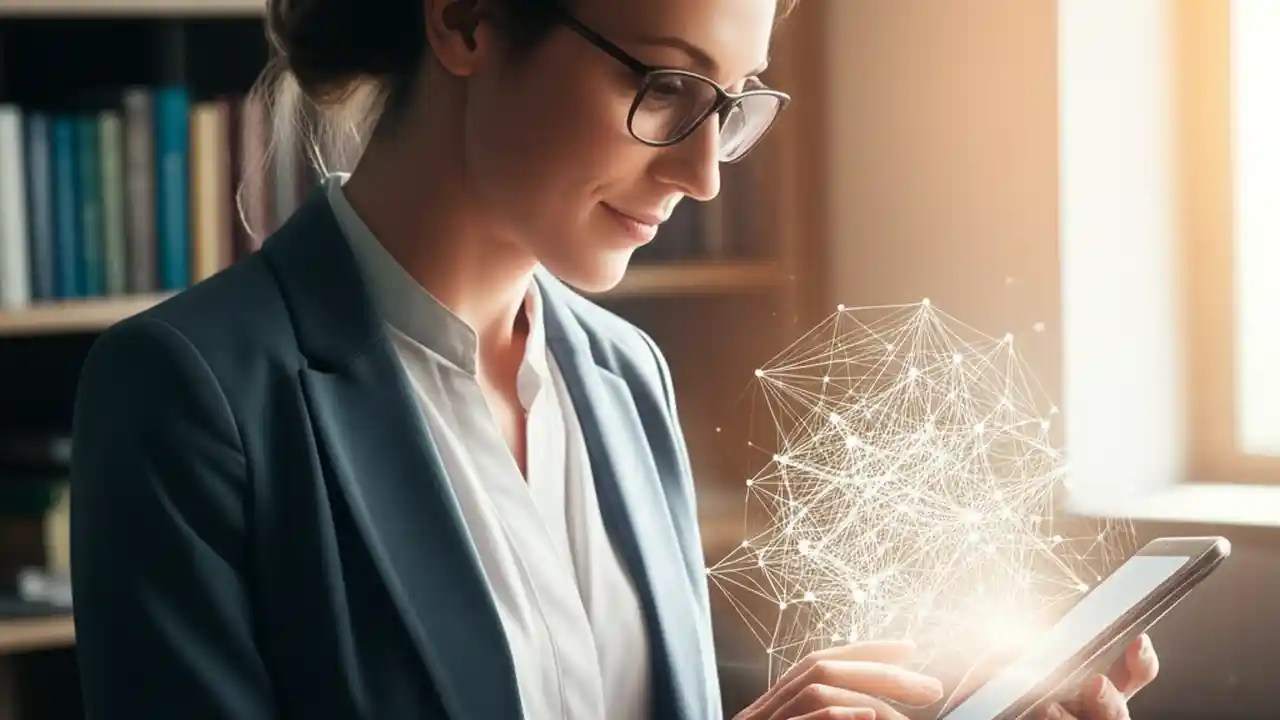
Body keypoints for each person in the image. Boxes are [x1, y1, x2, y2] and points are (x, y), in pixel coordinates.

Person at [68, 0, 1160, 718]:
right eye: (668, 88)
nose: (702, 174)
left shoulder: (621, 373)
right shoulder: (186, 394)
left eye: (731, 107)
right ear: (464, 19)